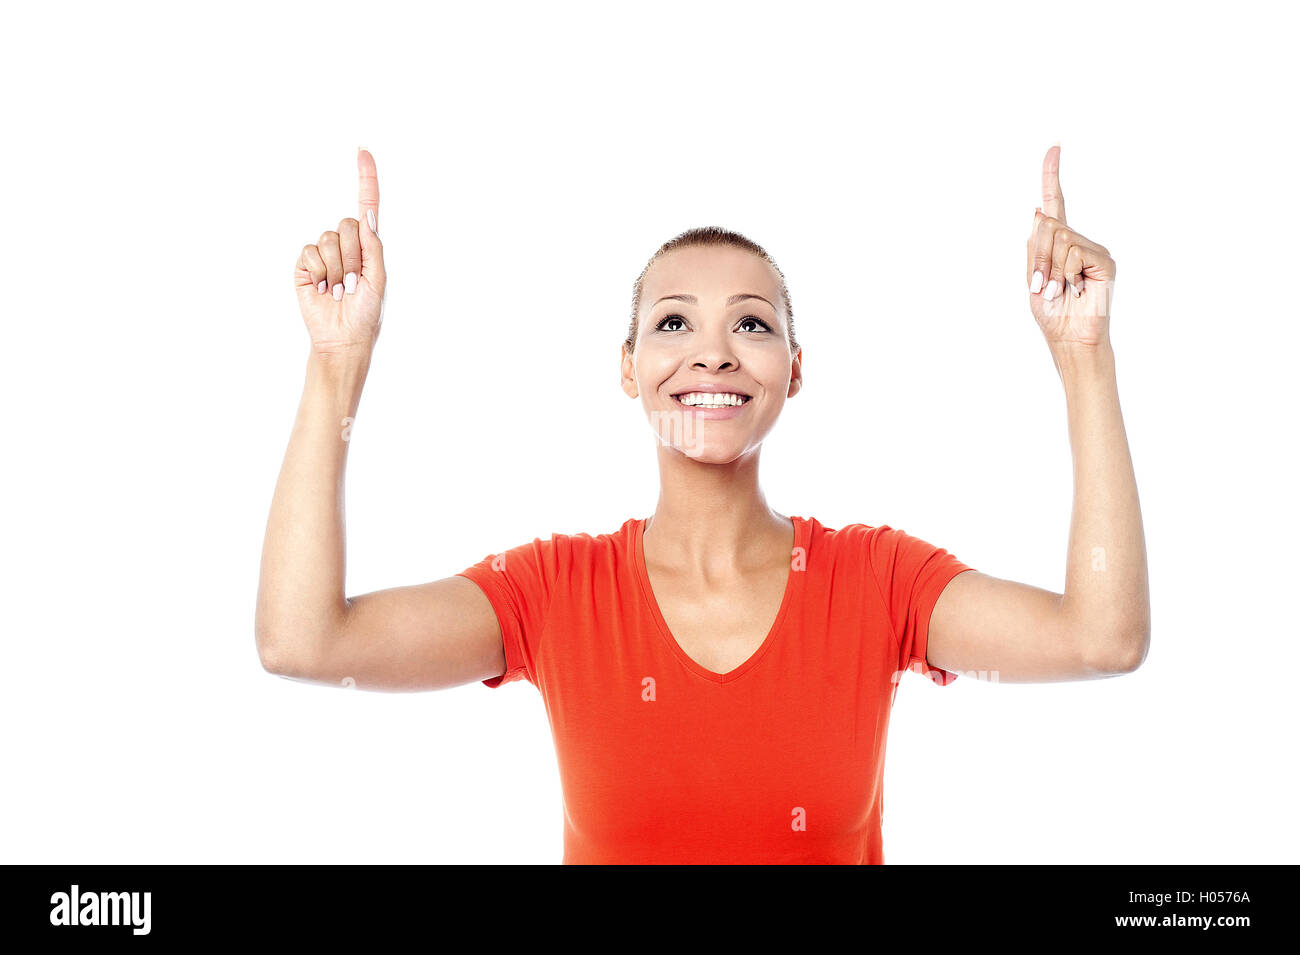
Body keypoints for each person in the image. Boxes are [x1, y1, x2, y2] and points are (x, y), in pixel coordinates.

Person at [255, 145, 1150, 864]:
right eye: (674, 322)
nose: (713, 355)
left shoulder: (877, 579)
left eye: (752, 324)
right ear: (627, 365)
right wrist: (337, 362)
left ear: (794, 373)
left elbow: (1100, 639)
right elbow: (304, 641)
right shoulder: (555, 590)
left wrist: (1085, 357)